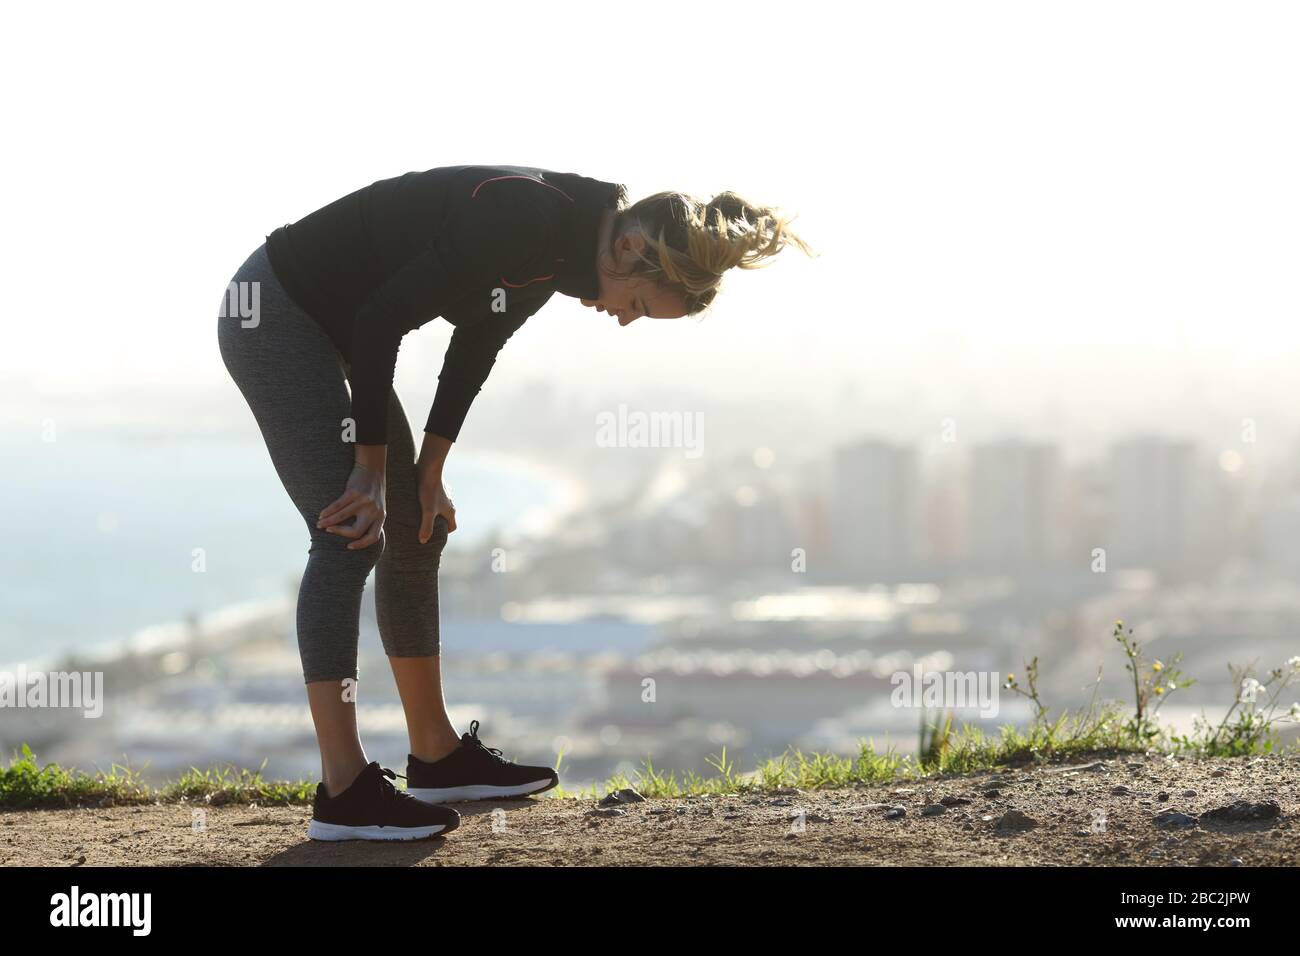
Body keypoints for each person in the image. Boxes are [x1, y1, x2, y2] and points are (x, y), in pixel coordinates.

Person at [216, 164, 814, 841]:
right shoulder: (525, 220)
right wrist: (370, 472)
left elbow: (476, 345)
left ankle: (437, 756)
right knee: (351, 531)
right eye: (640, 305)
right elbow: (380, 322)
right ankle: (344, 791)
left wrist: (429, 472)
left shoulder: (558, 250)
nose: (624, 320)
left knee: (417, 527)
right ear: (629, 250)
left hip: (333, 324)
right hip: (274, 312)